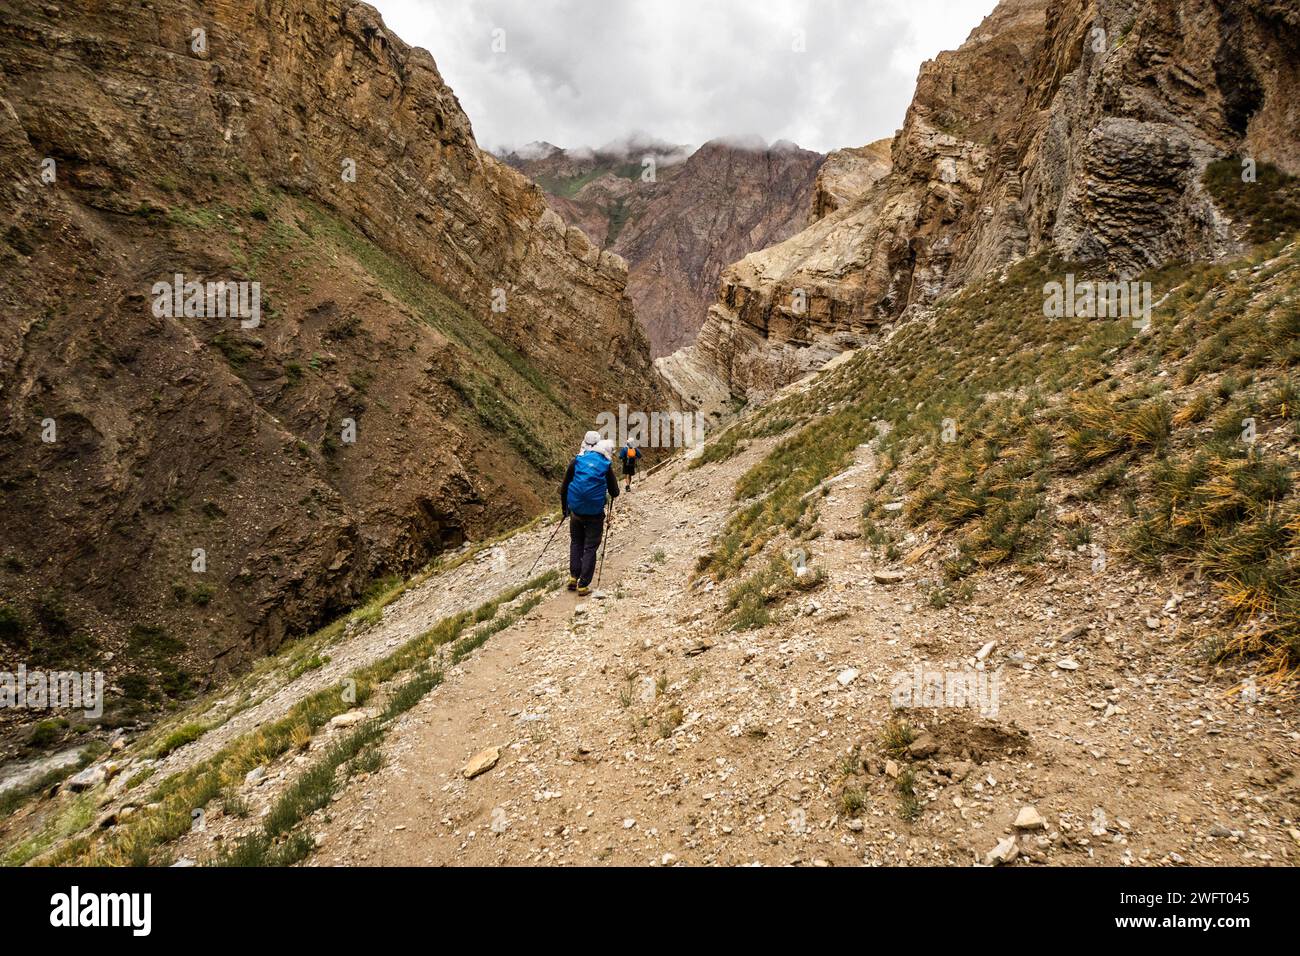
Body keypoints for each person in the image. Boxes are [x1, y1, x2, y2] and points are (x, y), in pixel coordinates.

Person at [560, 431, 619, 596]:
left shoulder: (577, 461)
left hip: (576, 511)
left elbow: (564, 487)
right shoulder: (605, 465)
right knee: (590, 547)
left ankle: (573, 577)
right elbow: (615, 492)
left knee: (576, 543)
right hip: (594, 513)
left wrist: (565, 509)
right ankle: (583, 585)